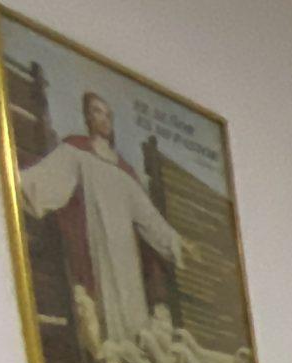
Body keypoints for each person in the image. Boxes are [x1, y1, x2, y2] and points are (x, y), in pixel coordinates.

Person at [17, 90, 195, 347]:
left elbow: (148, 216)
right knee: (103, 308)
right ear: (88, 117)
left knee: (132, 308)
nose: (104, 118)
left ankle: (134, 352)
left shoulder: (124, 171)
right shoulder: (76, 151)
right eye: (97, 112)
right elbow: (49, 178)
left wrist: (176, 241)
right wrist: (18, 181)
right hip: (96, 243)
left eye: (107, 114)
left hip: (126, 255)